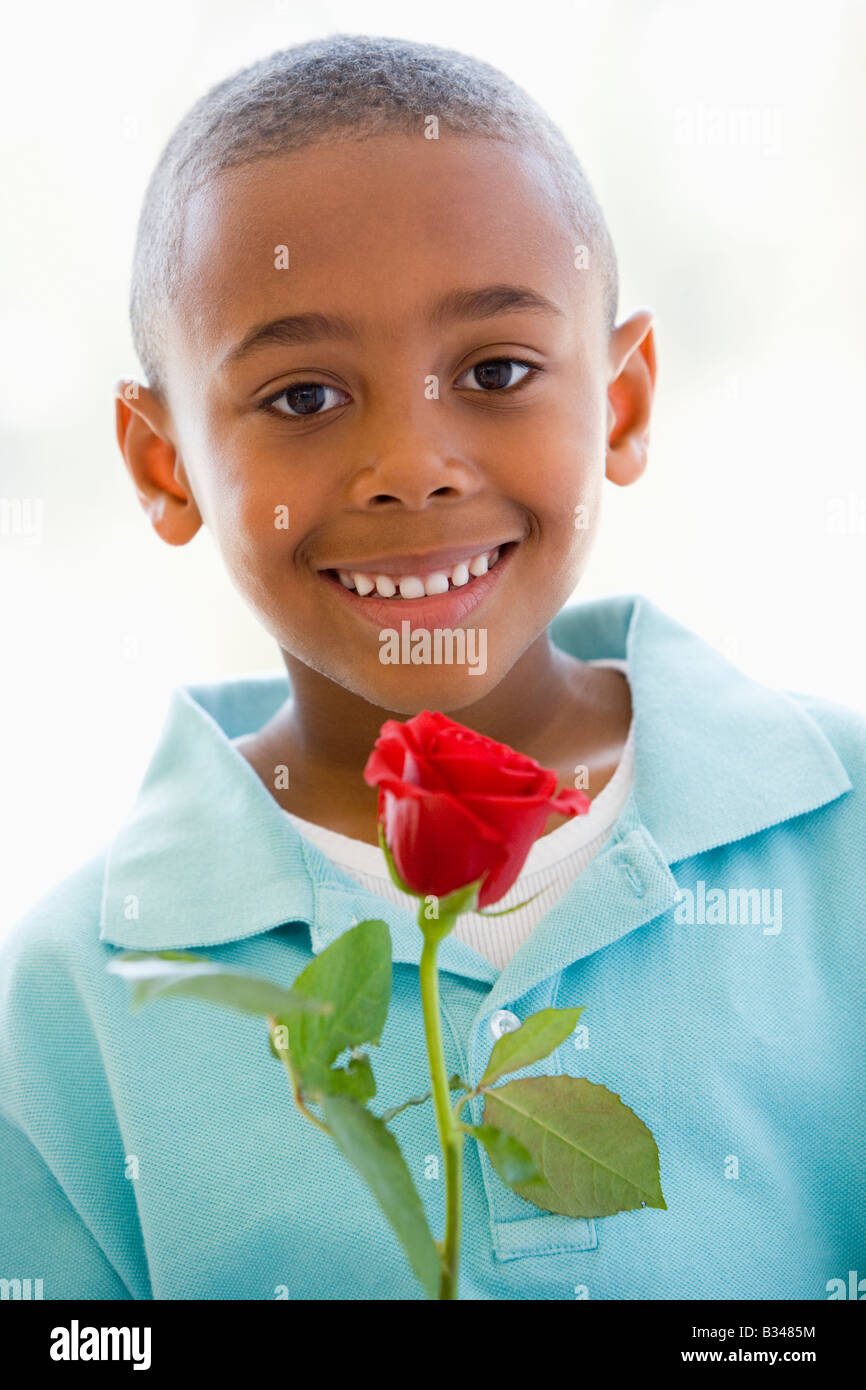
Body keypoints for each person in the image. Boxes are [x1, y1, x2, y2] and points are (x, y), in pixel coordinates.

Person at [1, 34, 863, 1301]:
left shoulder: (835, 832)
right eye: (302, 397)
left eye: (497, 371)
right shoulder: (78, 993)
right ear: (163, 464)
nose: (414, 460)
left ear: (619, 404)